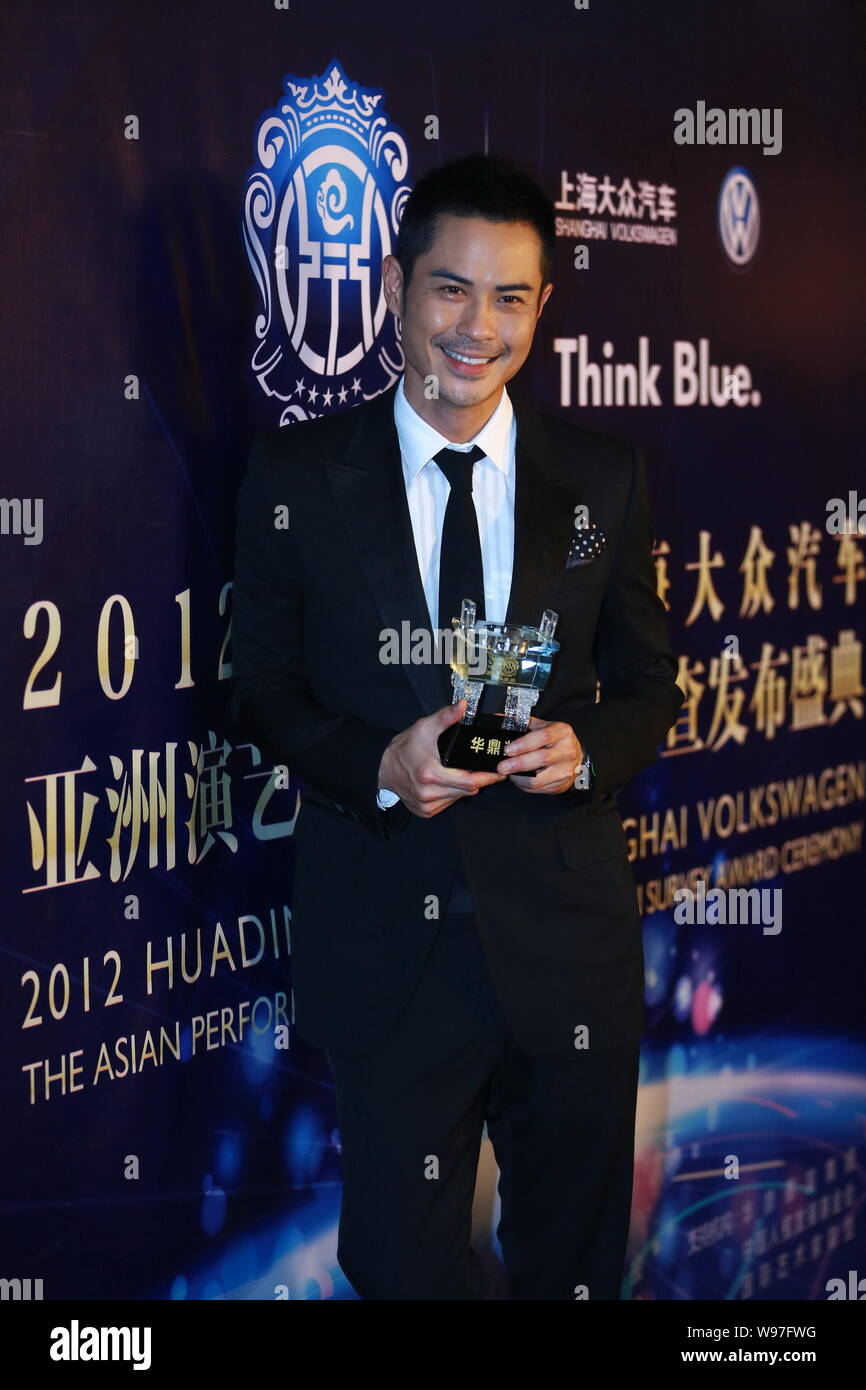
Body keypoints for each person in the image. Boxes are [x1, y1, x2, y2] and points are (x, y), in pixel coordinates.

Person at [230, 153, 684, 1300]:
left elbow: (648, 681)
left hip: (564, 941)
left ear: (541, 307)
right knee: (399, 1269)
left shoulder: (600, 479)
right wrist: (378, 764)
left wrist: (587, 750)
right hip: (391, 948)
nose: (475, 328)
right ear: (392, 287)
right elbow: (264, 692)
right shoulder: (295, 476)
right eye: (449, 288)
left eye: (510, 297)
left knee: (573, 1265)